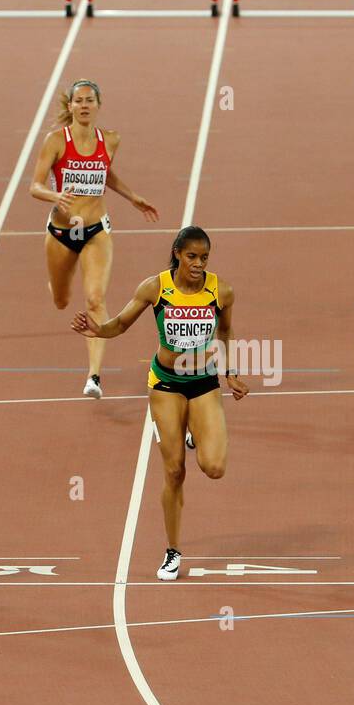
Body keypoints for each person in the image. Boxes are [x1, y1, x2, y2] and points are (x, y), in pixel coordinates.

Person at [71, 226, 248, 580]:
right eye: (192, 256)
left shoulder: (221, 291)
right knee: (174, 471)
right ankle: (173, 551)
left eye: (205, 258)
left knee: (214, 468)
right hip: (166, 384)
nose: (198, 264)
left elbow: (225, 332)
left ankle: (195, 430)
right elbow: (121, 323)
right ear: (178, 254)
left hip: (204, 382)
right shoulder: (156, 287)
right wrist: (97, 330)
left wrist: (230, 371)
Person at [30, 79, 159, 398]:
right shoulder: (56, 141)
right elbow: (34, 185)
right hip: (61, 233)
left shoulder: (111, 140)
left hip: (96, 231)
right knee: (61, 301)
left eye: (90, 100)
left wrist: (131, 197)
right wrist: (54, 195)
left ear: (98, 105)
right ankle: (59, 280)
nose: (85, 105)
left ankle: (94, 377)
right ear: (70, 106)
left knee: (95, 299)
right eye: (79, 101)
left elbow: (104, 172)